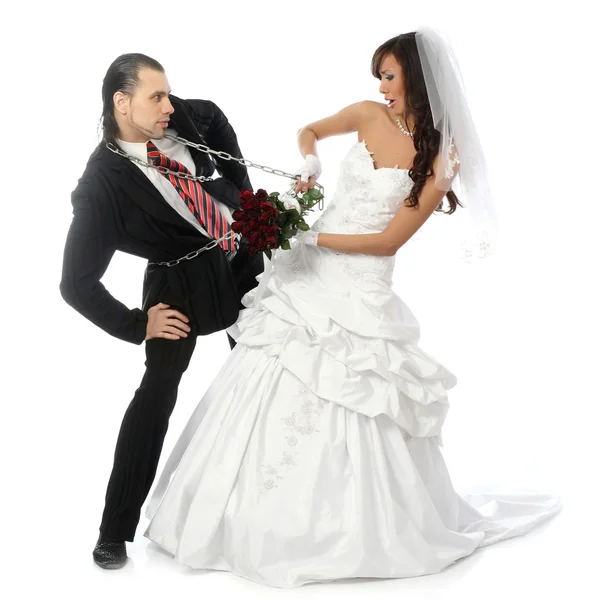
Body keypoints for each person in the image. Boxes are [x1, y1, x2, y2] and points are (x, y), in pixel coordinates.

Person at [142, 29, 561, 588]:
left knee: (359, 388)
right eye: (379, 78)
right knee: (272, 368)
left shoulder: (440, 158)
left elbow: (389, 241)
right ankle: (245, 514)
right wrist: (310, 162)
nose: (382, 88)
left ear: (418, 76)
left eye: (389, 76)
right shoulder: (365, 115)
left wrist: (315, 241)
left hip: (359, 283)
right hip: (308, 276)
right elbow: (309, 130)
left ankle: (349, 528)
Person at [59, 53, 264, 569]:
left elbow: (215, 115)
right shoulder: (100, 184)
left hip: (240, 259)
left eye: (169, 93)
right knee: (156, 395)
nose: (170, 105)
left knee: (267, 369)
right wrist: (137, 322)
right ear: (121, 103)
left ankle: (267, 501)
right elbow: (76, 283)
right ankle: (114, 529)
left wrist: (241, 195)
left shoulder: (184, 119)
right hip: (179, 285)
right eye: (157, 97)